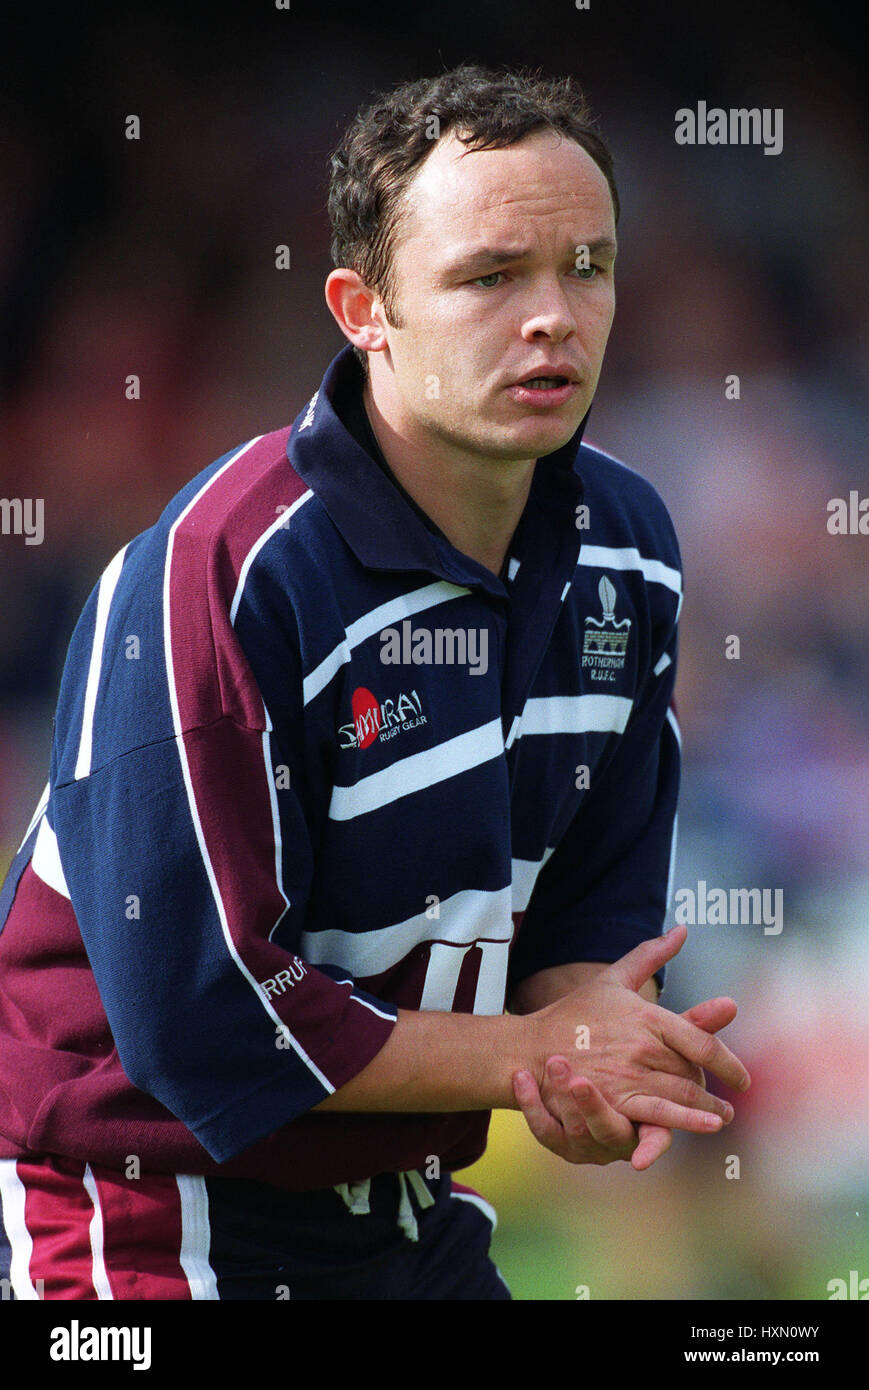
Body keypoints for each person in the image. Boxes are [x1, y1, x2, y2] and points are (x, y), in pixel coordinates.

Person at [0, 64, 749, 1301]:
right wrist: (528, 1051)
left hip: (406, 1205)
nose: (553, 315)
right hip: (143, 1216)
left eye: (587, 265)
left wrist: (583, 1057)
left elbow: (581, 918)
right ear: (363, 309)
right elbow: (206, 1016)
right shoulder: (217, 575)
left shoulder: (630, 548)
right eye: (489, 275)